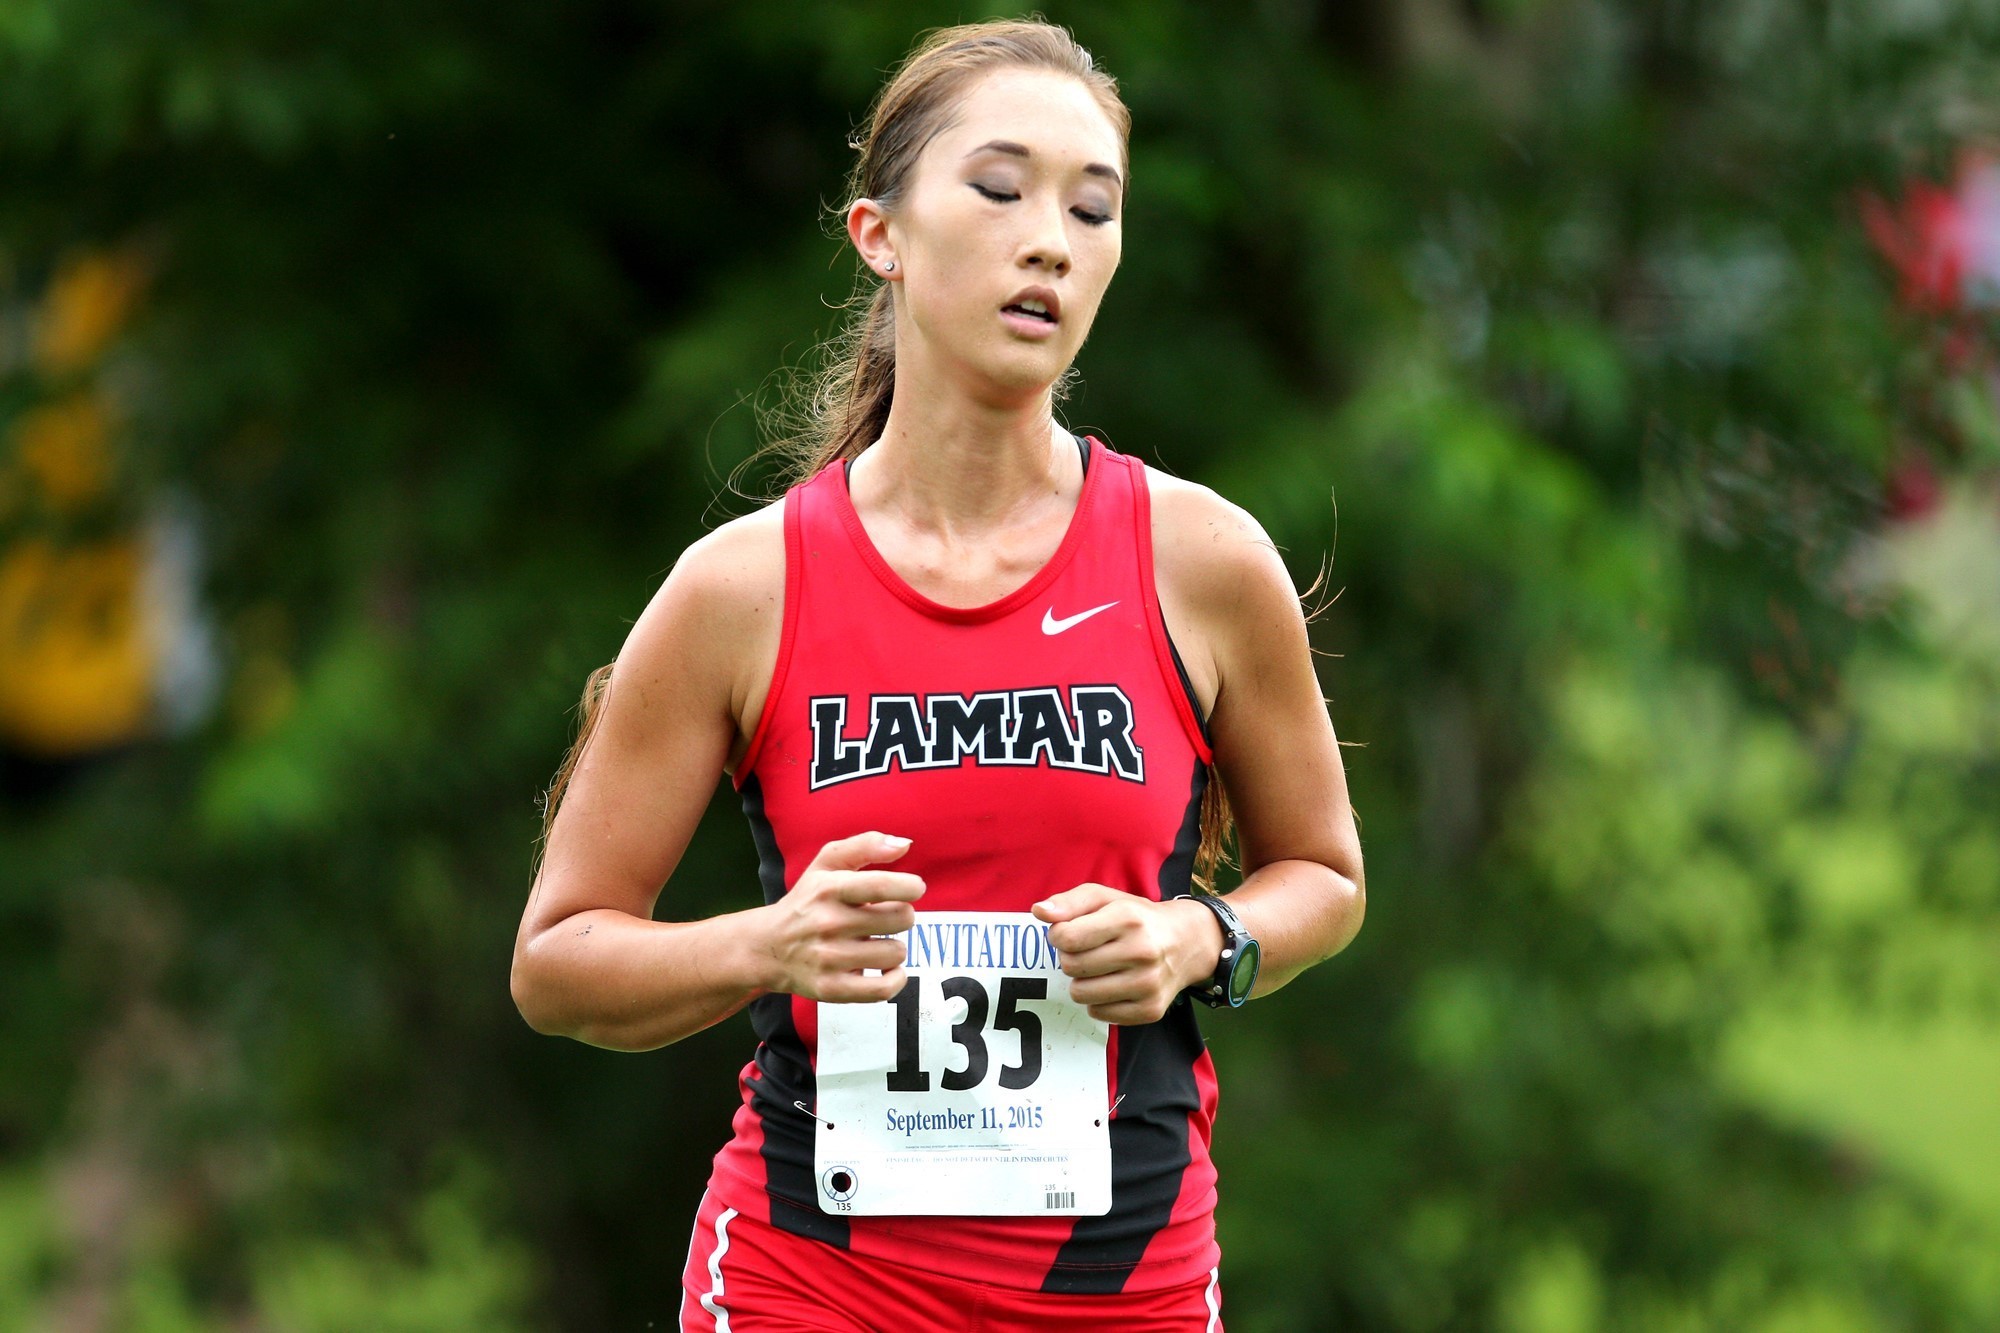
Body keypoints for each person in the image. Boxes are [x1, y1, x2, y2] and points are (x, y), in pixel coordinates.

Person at [510, 17, 1364, 1331]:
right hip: (813, 1278)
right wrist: (771, 944)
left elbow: (1328, 879)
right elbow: (557, 961)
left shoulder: (1201, 561)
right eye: (1001, 186)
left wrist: (1197, 935)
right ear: (881, 236)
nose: (1051, 241)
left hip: (1118, 1283)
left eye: (1094, 208)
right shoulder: (747, 587)